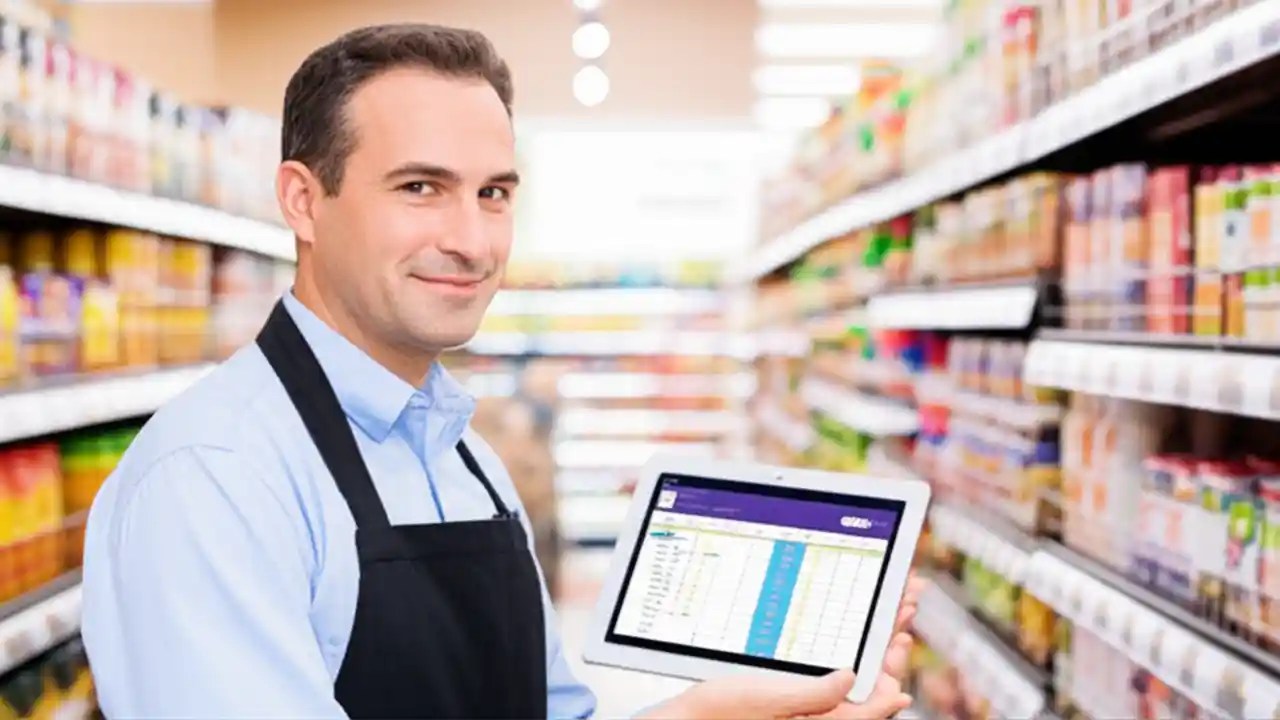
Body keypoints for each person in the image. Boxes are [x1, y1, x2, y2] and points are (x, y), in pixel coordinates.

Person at [81, 23, 921, 719]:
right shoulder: (216, 477)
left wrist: (715, 714)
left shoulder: (467, 462)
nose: (473, 241)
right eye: (420, 187)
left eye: (494, 194)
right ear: (303, 200)